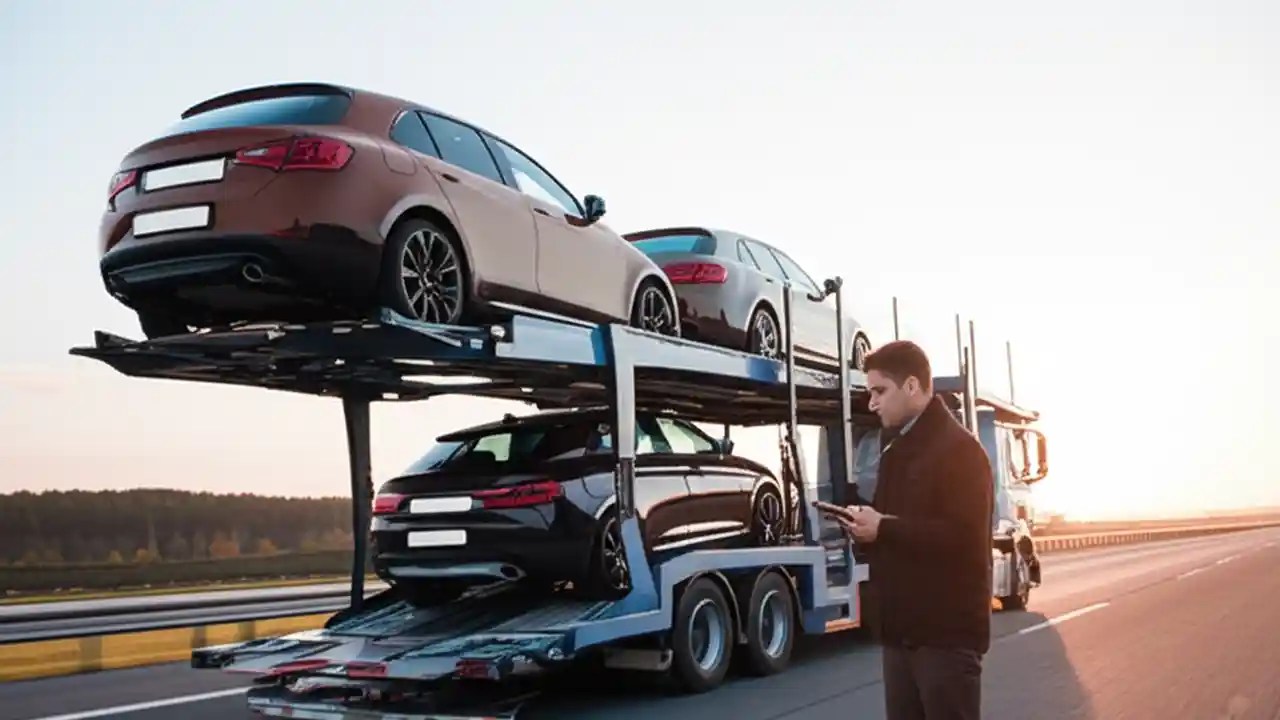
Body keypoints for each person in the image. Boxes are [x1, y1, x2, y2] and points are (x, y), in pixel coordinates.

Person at [838, 340, 994, 720]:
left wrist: (884, 528)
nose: (872, 403)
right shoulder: (895, 448)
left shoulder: (961, 451)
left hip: (945, 638)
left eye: (880, 391)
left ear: (911, 386)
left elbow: (964, 539)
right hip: (901, 635)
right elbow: (894, 532)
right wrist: (866, 528)